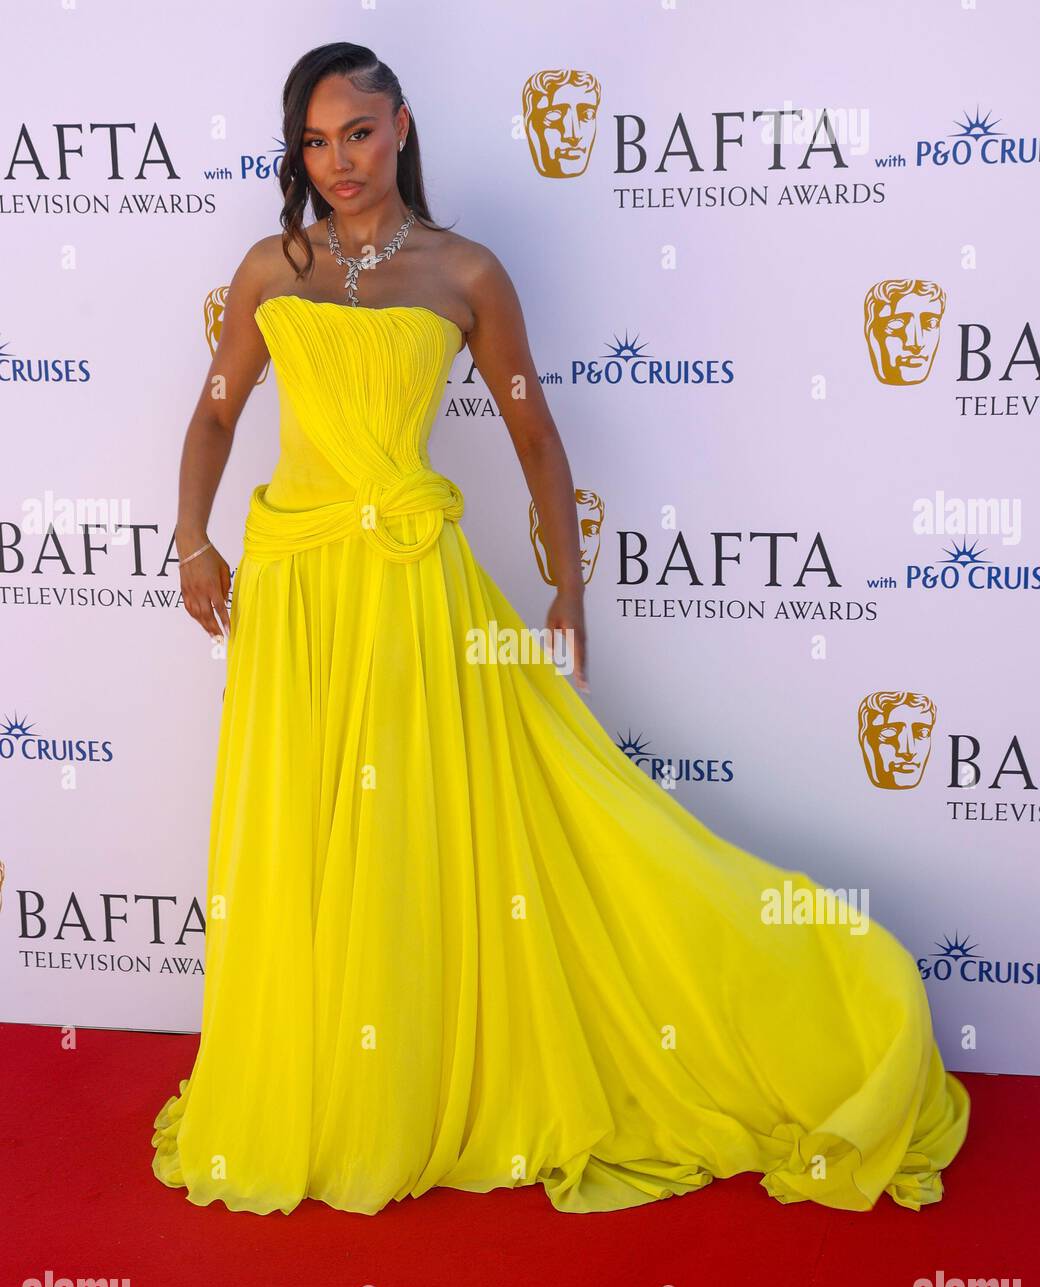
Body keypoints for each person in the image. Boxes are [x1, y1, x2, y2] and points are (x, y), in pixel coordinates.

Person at [152, 42, 970, 1217]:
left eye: (361, 133)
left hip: (411, 590)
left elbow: (537, 440)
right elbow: (214, 416)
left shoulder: (465, 272)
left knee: (436, 830)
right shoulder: (268, 269)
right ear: (299, 152)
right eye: (317, 141)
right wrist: (192, 539)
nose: (340, 161)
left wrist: (568, 589)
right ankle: (328, 1082)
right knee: (307, 832)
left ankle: (441, 1072)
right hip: (291, 586)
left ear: (402, 127)